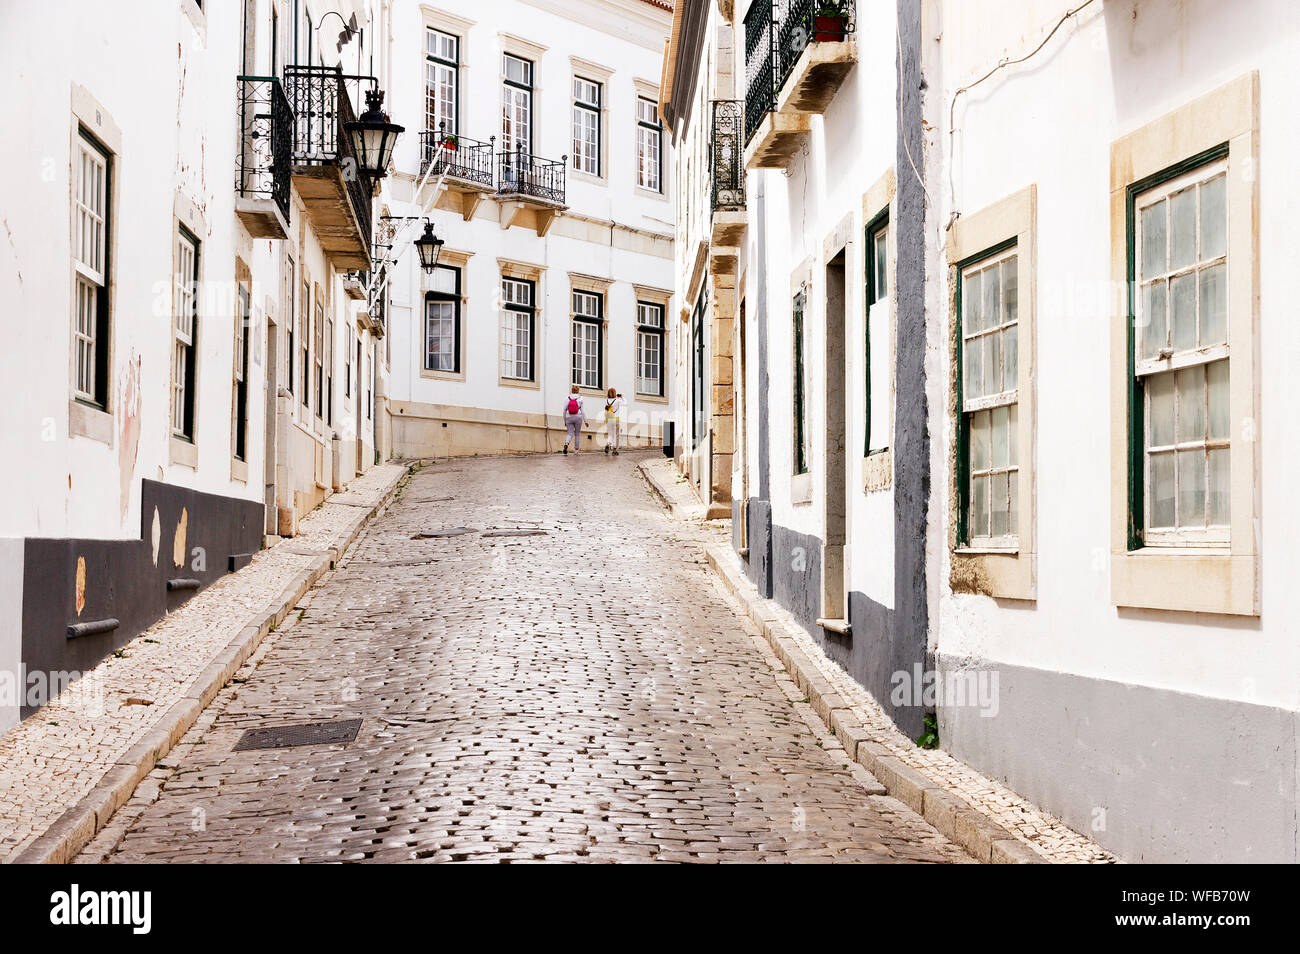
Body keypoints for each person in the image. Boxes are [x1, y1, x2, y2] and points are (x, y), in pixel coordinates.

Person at [562, 384, 585, 455]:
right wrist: (586, 421)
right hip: (578, 417)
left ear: (572, 390)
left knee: (570, 433)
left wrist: (565, 420)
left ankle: (566, 443)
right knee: (577, 434)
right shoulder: (581, 398)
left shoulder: (567, 398)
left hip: (569, 417)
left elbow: (564, 410)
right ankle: (576, 450)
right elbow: (583, 411)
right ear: (578, 391)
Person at [603, 388, 627, 455]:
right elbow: (625, 403)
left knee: (610, 434)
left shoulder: (606, 400)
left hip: (608, 418)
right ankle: (614, 450)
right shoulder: (617, 400)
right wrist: (622, 397)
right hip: (615, 419)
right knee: (616, 435)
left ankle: (608, 443)